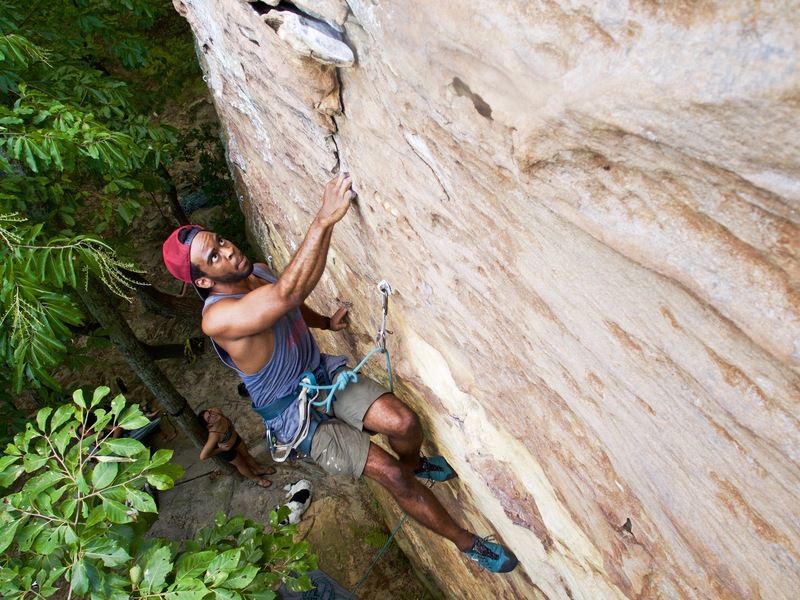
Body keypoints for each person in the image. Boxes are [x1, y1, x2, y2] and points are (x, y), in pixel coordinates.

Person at [162, 172, 517, 573]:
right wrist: (323, 219)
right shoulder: (219, 320)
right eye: (213, 258)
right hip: (294, 417)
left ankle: (416, 463)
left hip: (320, 377)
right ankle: (469, 544)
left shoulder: (257, 272)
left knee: (403, 422)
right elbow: (286, 295)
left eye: (220, 242)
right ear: (205, 280)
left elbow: (289, 304)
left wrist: (326, 324)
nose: (226, 251)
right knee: (390, 474)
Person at [197, 407, 276, 487]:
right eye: (209, 418)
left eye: (210, 413)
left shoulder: (217, 412)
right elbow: (203, 456)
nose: (213, 415)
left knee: (247, 456)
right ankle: (256, 479)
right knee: (242, 465)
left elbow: (213, 410)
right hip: (226, 450)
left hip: (234, 437)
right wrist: (220, 449)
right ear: (209, 425)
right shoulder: (214, 435)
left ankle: (259, 470)